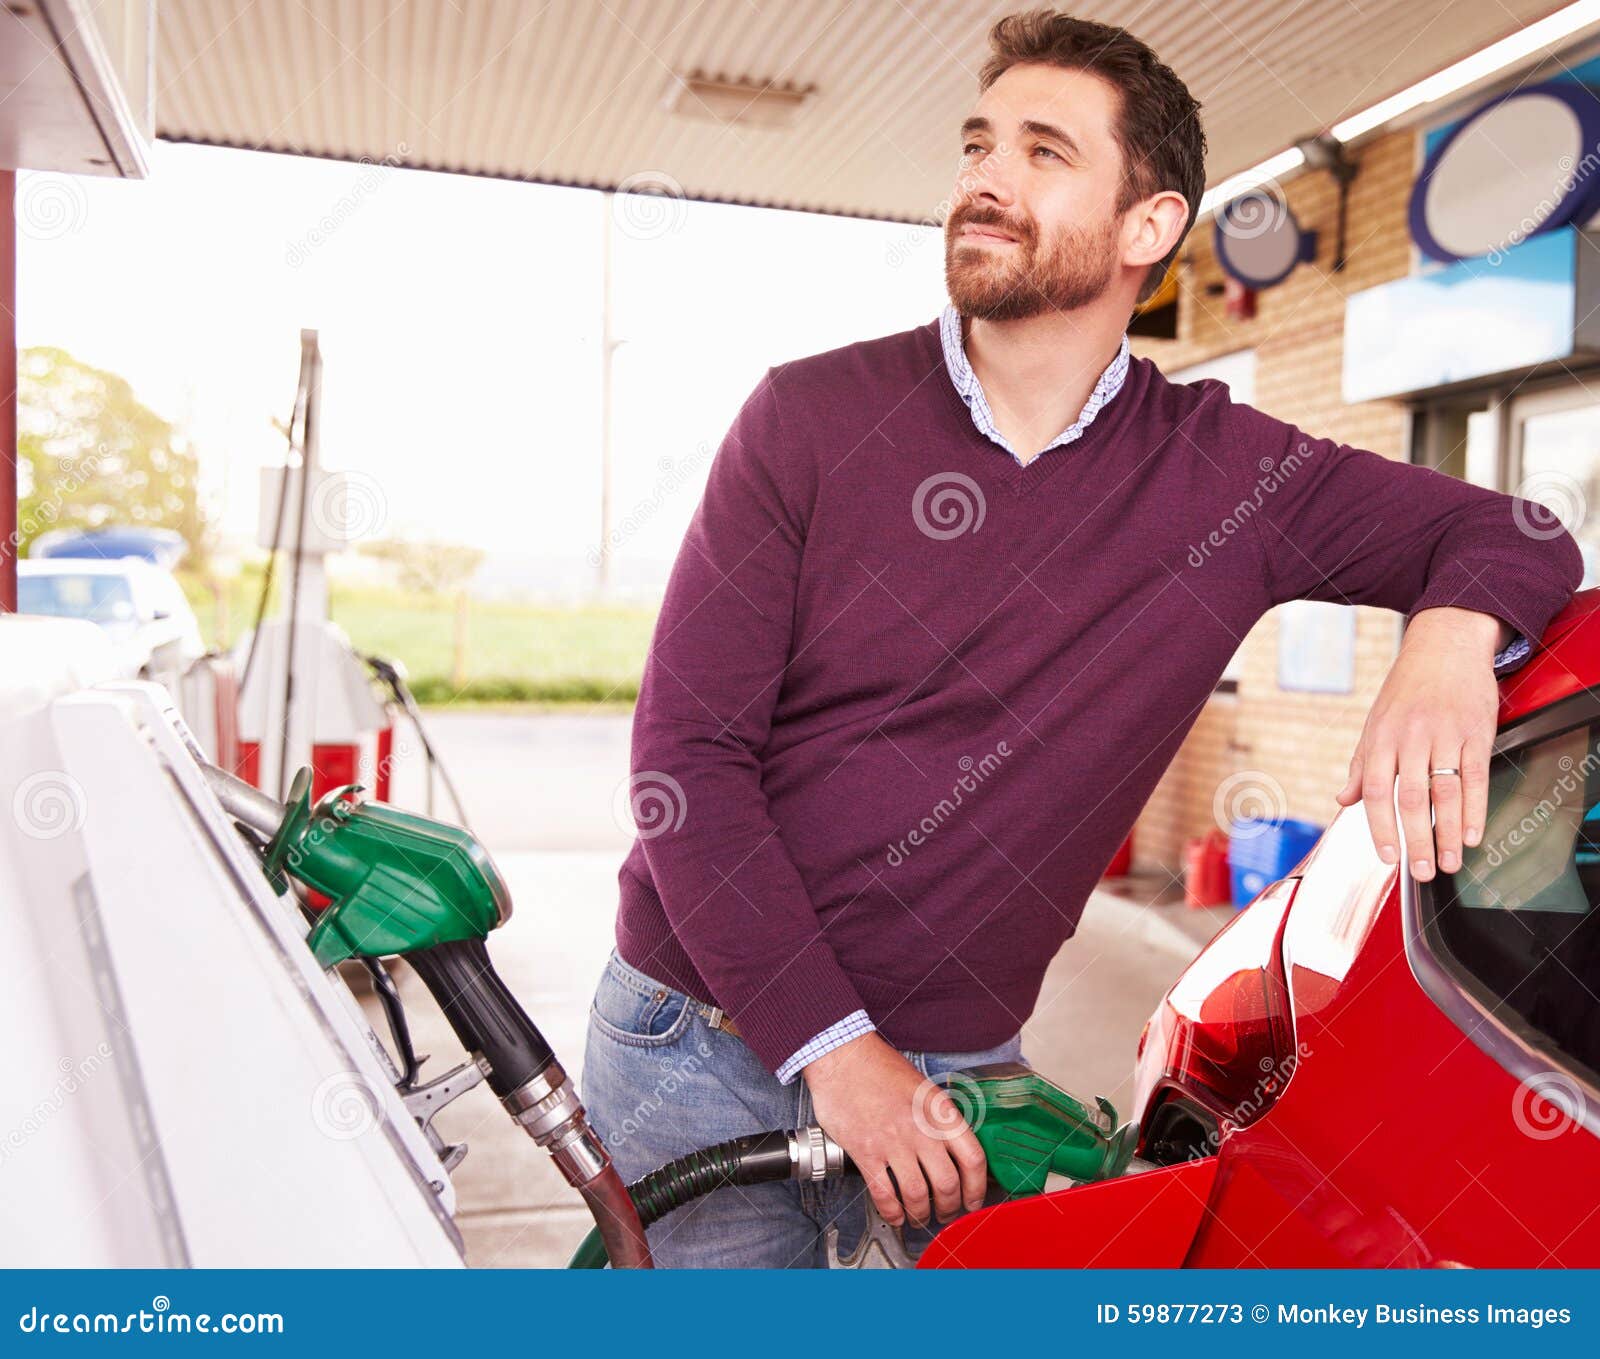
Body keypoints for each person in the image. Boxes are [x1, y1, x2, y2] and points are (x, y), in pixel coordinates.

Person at [580, 8, 1584, 1267]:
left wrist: (1444, 644)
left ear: (1146, 229)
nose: (985, 179)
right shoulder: (808, 419)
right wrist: (832, 1051)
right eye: (977, 144)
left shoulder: (1226, 476)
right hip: (705, 1041)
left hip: (961, 1073)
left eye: (1043, 152)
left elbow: (1523, 531)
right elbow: (686, 765)